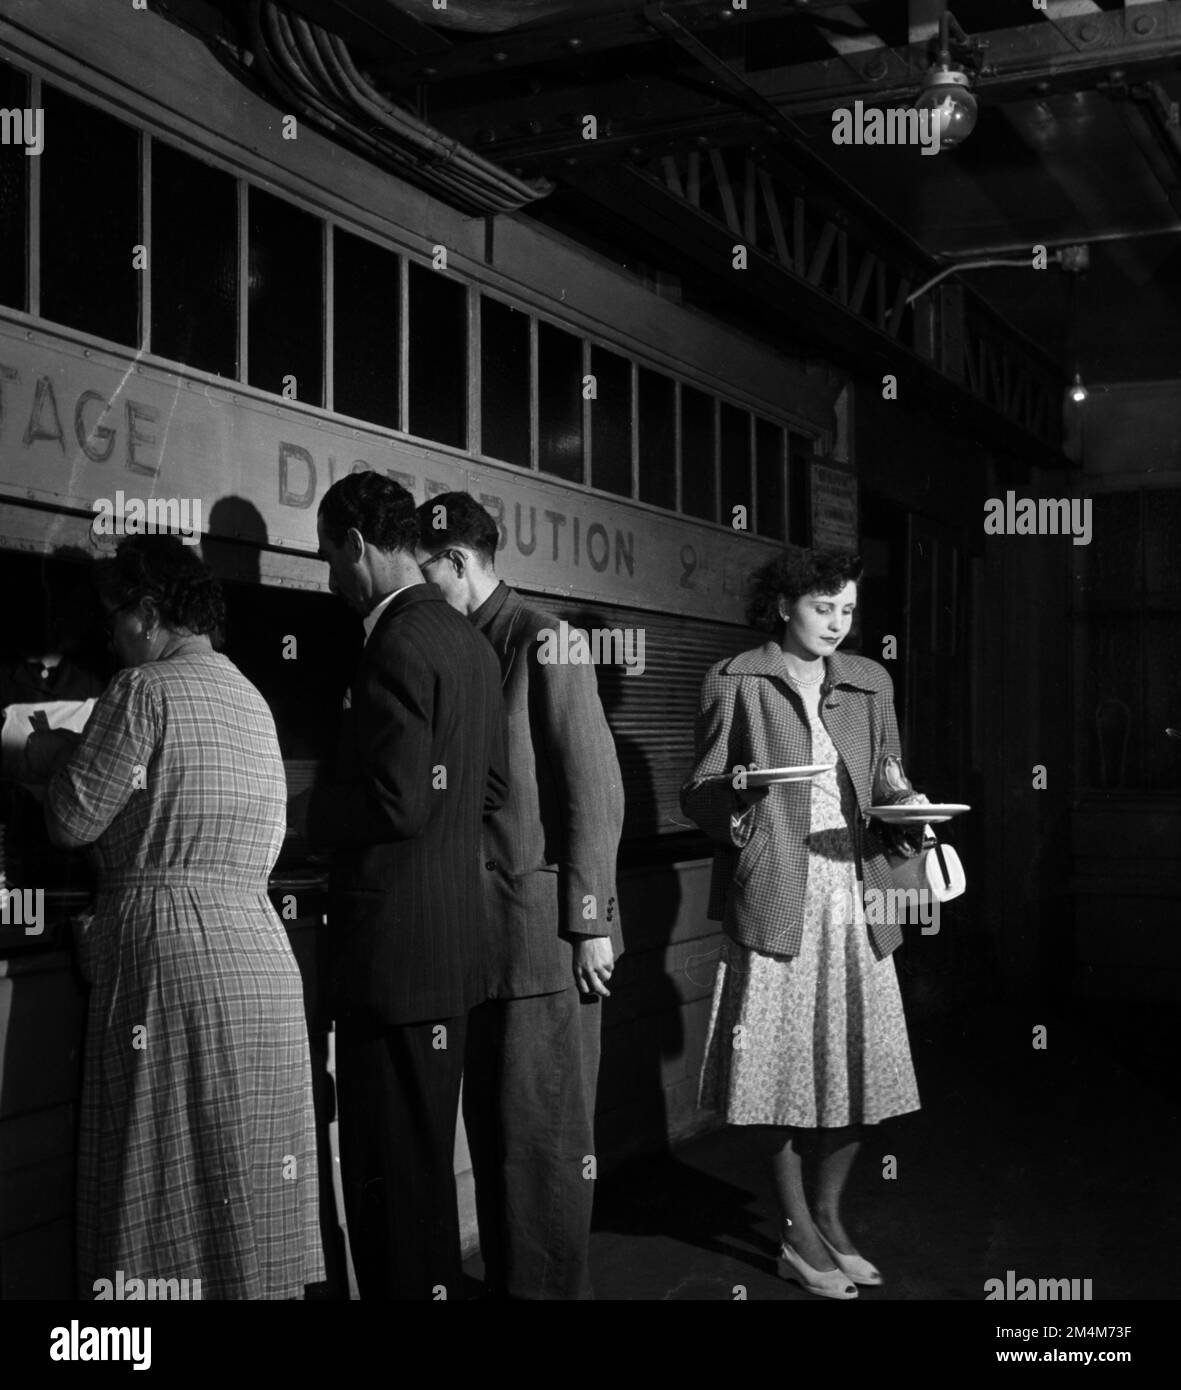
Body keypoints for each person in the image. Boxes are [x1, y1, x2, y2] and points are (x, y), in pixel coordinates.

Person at [28, 535, 324, 1300]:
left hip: (174, 963)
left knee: (162, 1187)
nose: (109, 636)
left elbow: (72, 817)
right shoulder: (251, 699)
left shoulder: (143, 691)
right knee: (247, 1183)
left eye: (114, 617)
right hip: (258, 955)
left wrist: (45, 754)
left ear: (150, 612)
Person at [682, 548, 921, 1301]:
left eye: (847, 610)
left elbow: (889, 777)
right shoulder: (736, 680)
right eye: (823, 608)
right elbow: (699, 793)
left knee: (861, 1065)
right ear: (784, 605)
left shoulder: (868, 680)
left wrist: (910, 813)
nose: (837, 623)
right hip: (779, 894)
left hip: (859, 896)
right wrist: (739, 794)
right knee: (776, 1074)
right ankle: (793, 1232)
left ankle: (828, 1216)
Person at [415, 492, 624, 1301]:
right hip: (481, 942)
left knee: (543, 1149)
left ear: (457, 562)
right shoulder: (459, 645)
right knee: (499, 1142)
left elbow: (593, 791)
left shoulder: (545, 643)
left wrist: (592, 922)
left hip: (547, 944)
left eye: (425, 569)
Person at [305, 473, 507, 1301]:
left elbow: (396, 798)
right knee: (425, 1167)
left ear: (357, 544)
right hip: (454, 952)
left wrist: (311, 808)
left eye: (329, 557)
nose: (329, 579)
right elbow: (488, 790)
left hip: (390, 963)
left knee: (386, 1184)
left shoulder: (390, 642)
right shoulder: (469, 640)